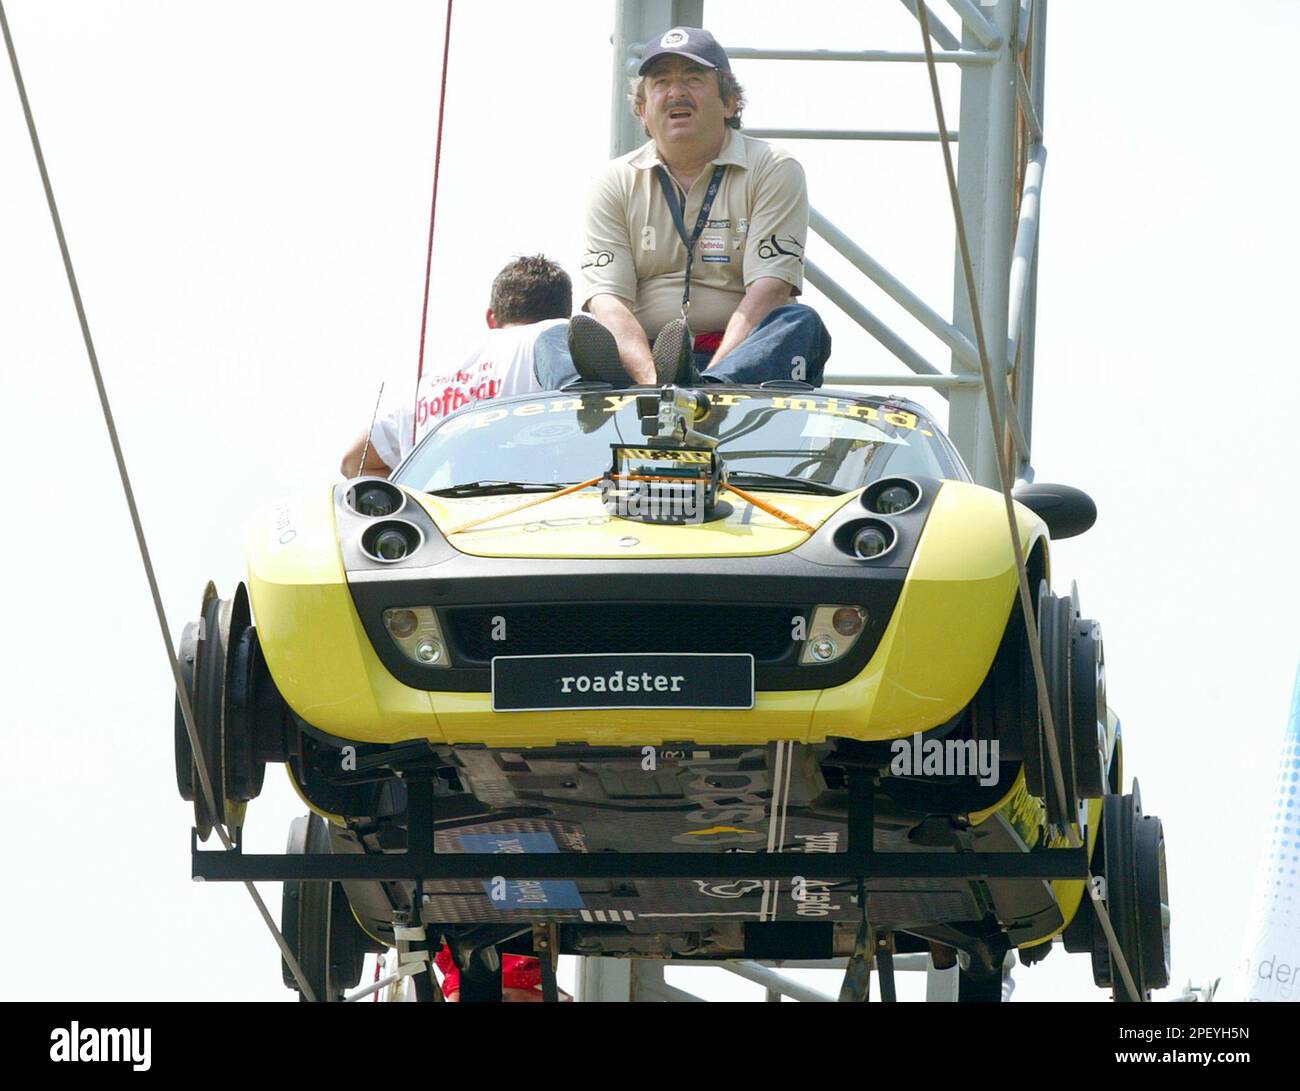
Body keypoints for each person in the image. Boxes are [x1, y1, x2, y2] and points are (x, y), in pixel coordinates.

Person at [533, 26, 830, 391]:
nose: (676, 92)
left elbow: (770, 290)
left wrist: (701, 385)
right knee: (550, 339)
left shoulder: (772, 167)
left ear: (729, 102)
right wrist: (655, 382)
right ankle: (596, 396)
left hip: (737, 357)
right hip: (639, 360)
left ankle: (709, 386)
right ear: (642, 110)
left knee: (799, 323)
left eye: (693, 78)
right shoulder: (613, 181)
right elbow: (608, 301)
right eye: (661, 82)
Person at [341, 255, 572, 478]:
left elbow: (353, 462)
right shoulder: (556, 337)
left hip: (448, 516)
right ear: (567, 316)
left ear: (491, 318)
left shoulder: (432, 377)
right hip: (537, 511)